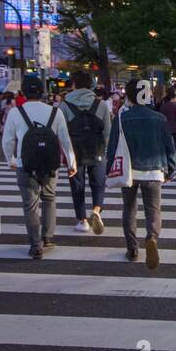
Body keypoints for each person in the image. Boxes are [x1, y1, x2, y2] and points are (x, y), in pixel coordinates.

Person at [2, 75, 75, 259]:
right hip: (50, 163)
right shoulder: (55, 112)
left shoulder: (15, 113)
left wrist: (10, 159)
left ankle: (35, 245)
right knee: (49, 198)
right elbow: (65, 140)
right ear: (43, 92)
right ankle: (48, 237)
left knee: (30, 204)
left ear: (23, 92)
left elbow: (8, 140)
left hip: (25, 164)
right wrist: (71, 163)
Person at [107, 76, 176, 267]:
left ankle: (132, 249)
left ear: (128, 97)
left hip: (128, 170)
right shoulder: (159, 118)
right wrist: (170, 169)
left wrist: (108, 170)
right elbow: (169, 147)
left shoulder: (122, 118)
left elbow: (112, 147)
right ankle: (152, 238)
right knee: (153, 209)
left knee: (129, 208)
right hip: (154, 170)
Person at [61, 72, 110, 234]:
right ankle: (96, 210)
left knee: (77, 185)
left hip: (74, 152)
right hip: (97, 150)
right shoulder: (101, 105)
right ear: (91, 86)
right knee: (98, 183)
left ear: (73, 85)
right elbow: (107, 132)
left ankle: (82, 221)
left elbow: (62, 133)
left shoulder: (64, 105)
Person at [159, 89, 176, 153]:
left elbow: (161, 115)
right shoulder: (175, 106)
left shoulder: (163, 106)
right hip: (175, 126)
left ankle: (168, 151)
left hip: (165, 126)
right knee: (175, 140)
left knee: (167, 140)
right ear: (173, 98)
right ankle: (174, 151)